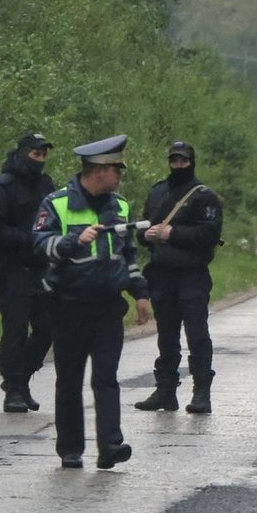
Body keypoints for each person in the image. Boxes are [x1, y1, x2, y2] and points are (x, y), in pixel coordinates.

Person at [33, 135, 151, 470]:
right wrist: (74, 241)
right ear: (99, 171)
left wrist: (140, 293)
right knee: (69, 378)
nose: (120, 177)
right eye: (117, 170)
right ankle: (70, 449)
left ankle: (110, 446)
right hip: (68, 305)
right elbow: (40, 245)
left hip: (108, 306)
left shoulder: (120, 206)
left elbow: (127, 255)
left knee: (106, 377)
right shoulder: (56, 204)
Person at [135, 141, 224, 414]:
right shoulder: (158, 192)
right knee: (166, 336)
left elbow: (208, 236)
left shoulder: (204, 197)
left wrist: (171, 233)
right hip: (162, 274)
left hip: (192, 275)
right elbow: (143, 226)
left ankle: (201, 393)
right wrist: (145, 234)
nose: (179, 165)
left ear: (191, 162)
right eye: (175, 161)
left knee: (197, 335)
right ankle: (165, 391)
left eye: (183, 161)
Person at [0, 132, 56, 413]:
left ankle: (21, 378)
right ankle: (13, 388)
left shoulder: (46, 185)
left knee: (47, 328)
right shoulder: (3, 185)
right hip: (11, 267)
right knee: (16, 328)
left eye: (44, 155)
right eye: (36, 154)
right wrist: (27, 239)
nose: (40, 159)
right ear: (23, 153)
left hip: (41, 267)